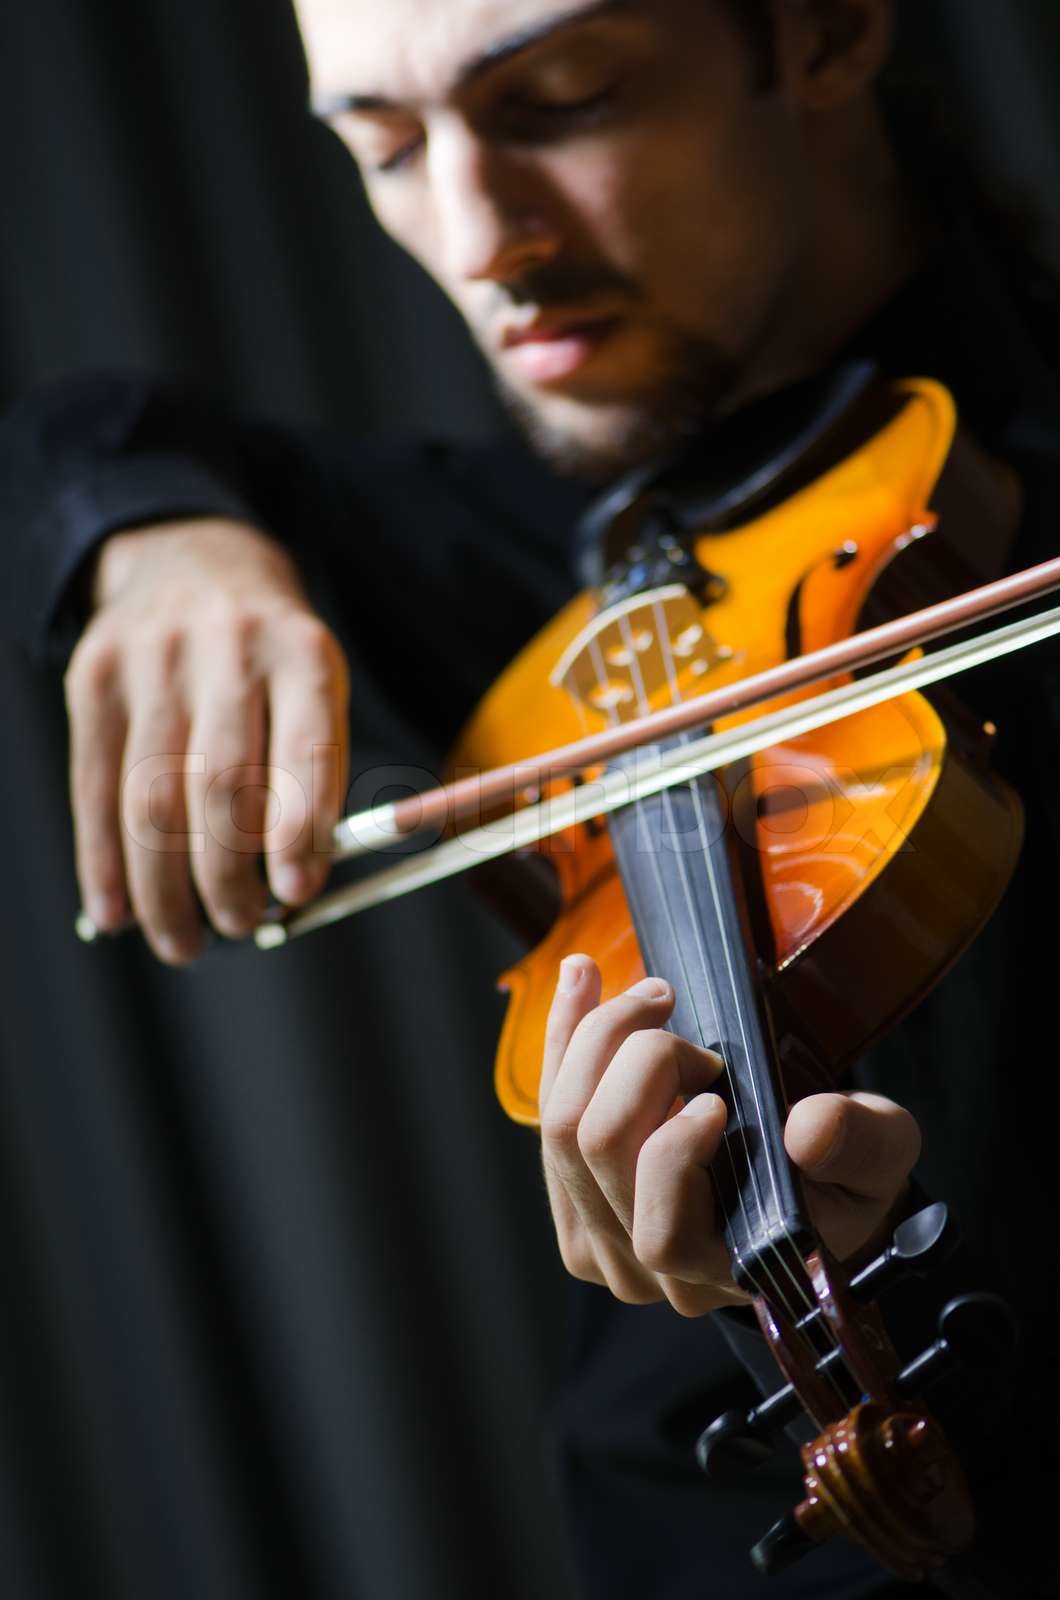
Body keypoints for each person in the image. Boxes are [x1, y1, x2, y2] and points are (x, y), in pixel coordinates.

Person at [3, 0, 1059, 1593]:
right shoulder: (550, 563)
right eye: (386, 145)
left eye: (561, 100)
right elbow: (84, 430)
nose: (478, 237)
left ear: (829, 32)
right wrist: (160, 545)